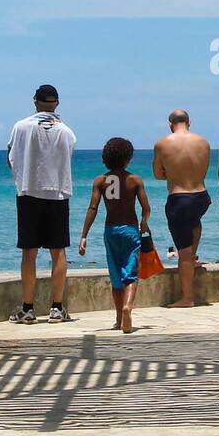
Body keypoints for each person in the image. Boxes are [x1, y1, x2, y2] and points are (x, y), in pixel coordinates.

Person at [7, 84, 76, 324]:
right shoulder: (67, 132)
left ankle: (28, 309)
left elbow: (11, 159)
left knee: (29, 252)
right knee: (58, 252)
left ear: (35, 101)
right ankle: (57, 308)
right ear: (57, 103)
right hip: (57, 194)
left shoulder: (21, 127)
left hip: (28, 192)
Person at [78, 137, 151, 334]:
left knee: (116, 276)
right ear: (127, 158)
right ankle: (128, 307)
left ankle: (119, 318)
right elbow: (146, 208)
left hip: (110, 231)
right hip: (129, 230)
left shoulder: (100, 181)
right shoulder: (135, 180)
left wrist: (84, 235)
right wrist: (144, 223)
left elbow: (92, 208)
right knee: (131, 273)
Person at [153, 109, 212, 308]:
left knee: (183, 251)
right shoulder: (203, 142)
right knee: (195, 224)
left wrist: (174, 173)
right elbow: (202, 169)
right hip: (202, 196)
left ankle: (187, 298)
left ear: (170, 124)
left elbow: (158, 174)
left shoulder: (162, 143)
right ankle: (192, 262)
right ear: (189, 121)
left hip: (179, 197)